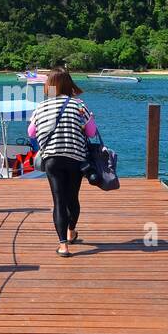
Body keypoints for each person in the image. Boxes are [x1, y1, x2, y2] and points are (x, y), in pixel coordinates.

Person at [28, 67, 97, 256]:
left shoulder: (41, 106)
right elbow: (91, 133)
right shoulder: (79, 105)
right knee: (72, 198)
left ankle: (63, 246)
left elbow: (31, 133)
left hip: (52, 159)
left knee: (59, 201)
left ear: (49, 86)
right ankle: (71, 231)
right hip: (76, 159)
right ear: (69, 85)